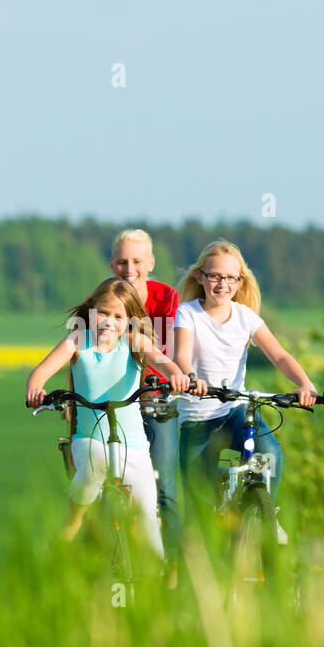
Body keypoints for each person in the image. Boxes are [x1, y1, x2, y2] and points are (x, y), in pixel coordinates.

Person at [26, 277, 189, 559]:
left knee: (150, 521)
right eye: (103, 313)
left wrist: (175, 373)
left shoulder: (133, 341)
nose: (108, 322)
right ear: (91, 310)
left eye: (118, 316)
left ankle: (160, 579)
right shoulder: (79, 340)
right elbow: (40, 372)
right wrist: (35, 389)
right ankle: (74, 520)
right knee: (92, 468)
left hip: (133, 444)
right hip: (89, 439)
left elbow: (160, 360)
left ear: (129, 320)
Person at [173, 239, 319, 540]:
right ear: (201, 276)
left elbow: (279, 355)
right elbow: (182, 357)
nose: (222, 284)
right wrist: (190, 378)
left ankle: (268, 515)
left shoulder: (245, 317)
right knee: (198, 506)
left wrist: (304, 384)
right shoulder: (188, 313)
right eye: (215, 276)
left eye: (230, 278)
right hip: (197, 417)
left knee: (269, 454)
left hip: (233, 411)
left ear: (240, 282)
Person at [108, 229, 182, 558]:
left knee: (164, 484)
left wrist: (162, 381)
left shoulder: (166, 297)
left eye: (137, 261)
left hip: (156, 395)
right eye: (122, 262)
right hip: (117, 397)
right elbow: (88, 351)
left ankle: (176, 568)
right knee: (105, 478)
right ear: (112, 264)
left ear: (150, 263)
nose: (129, 269)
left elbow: (166, 351)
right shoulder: (104, 300)